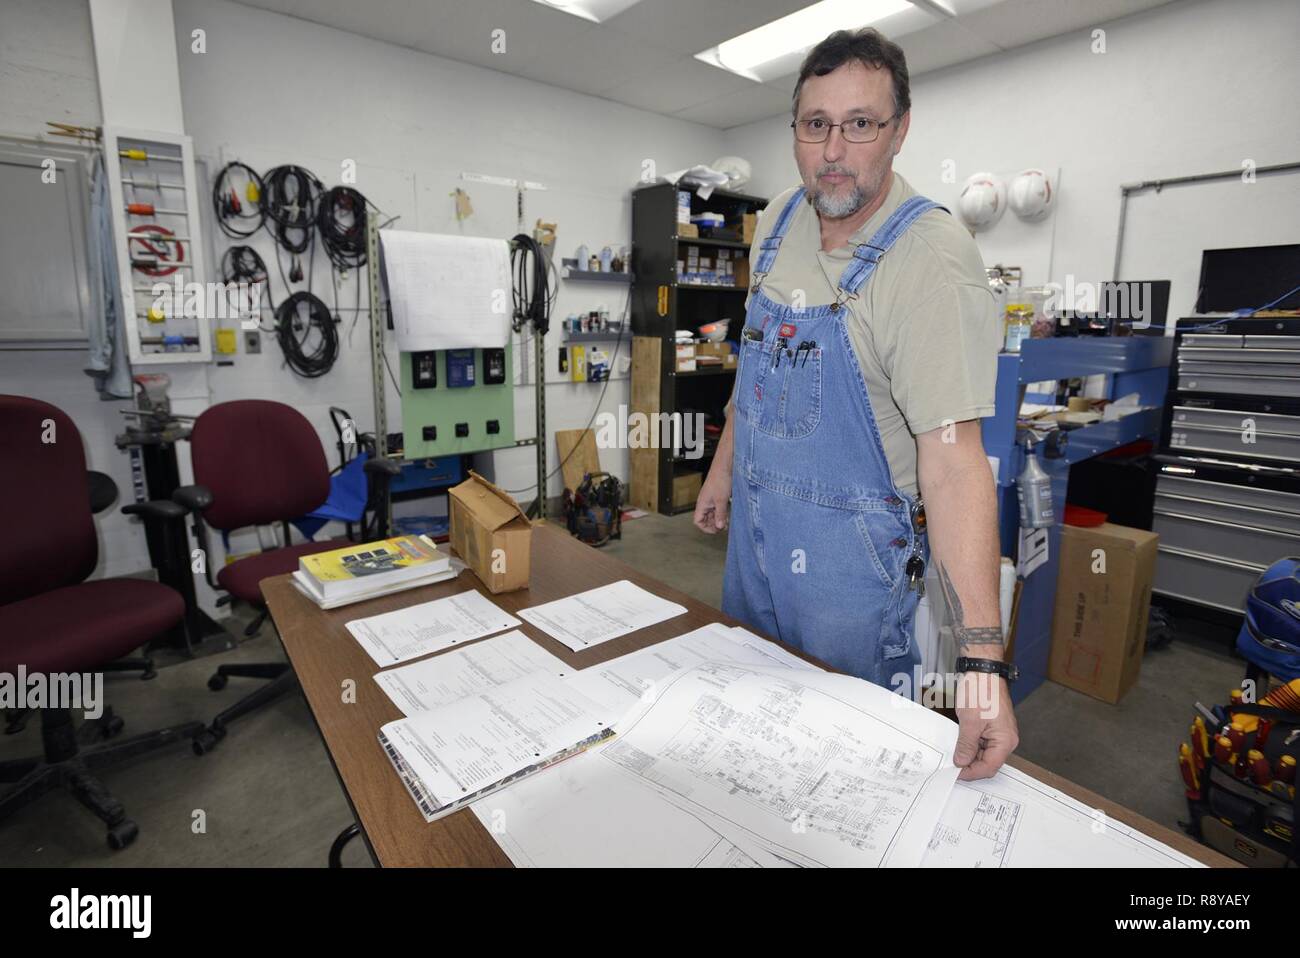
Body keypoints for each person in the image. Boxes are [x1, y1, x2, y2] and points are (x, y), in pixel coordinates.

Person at [693, 27, 1017, 780]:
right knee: (745, 735)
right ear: (797, 132)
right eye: (816, 125)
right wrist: (722, 470)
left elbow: (955, 465)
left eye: (861, 124)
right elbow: (757, 364)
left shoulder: (931, 263)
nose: (834, 150)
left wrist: (982, 668)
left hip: (850, 572)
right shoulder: (775, 222)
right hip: (753, 543)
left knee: (840, 768)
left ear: (899, 131)